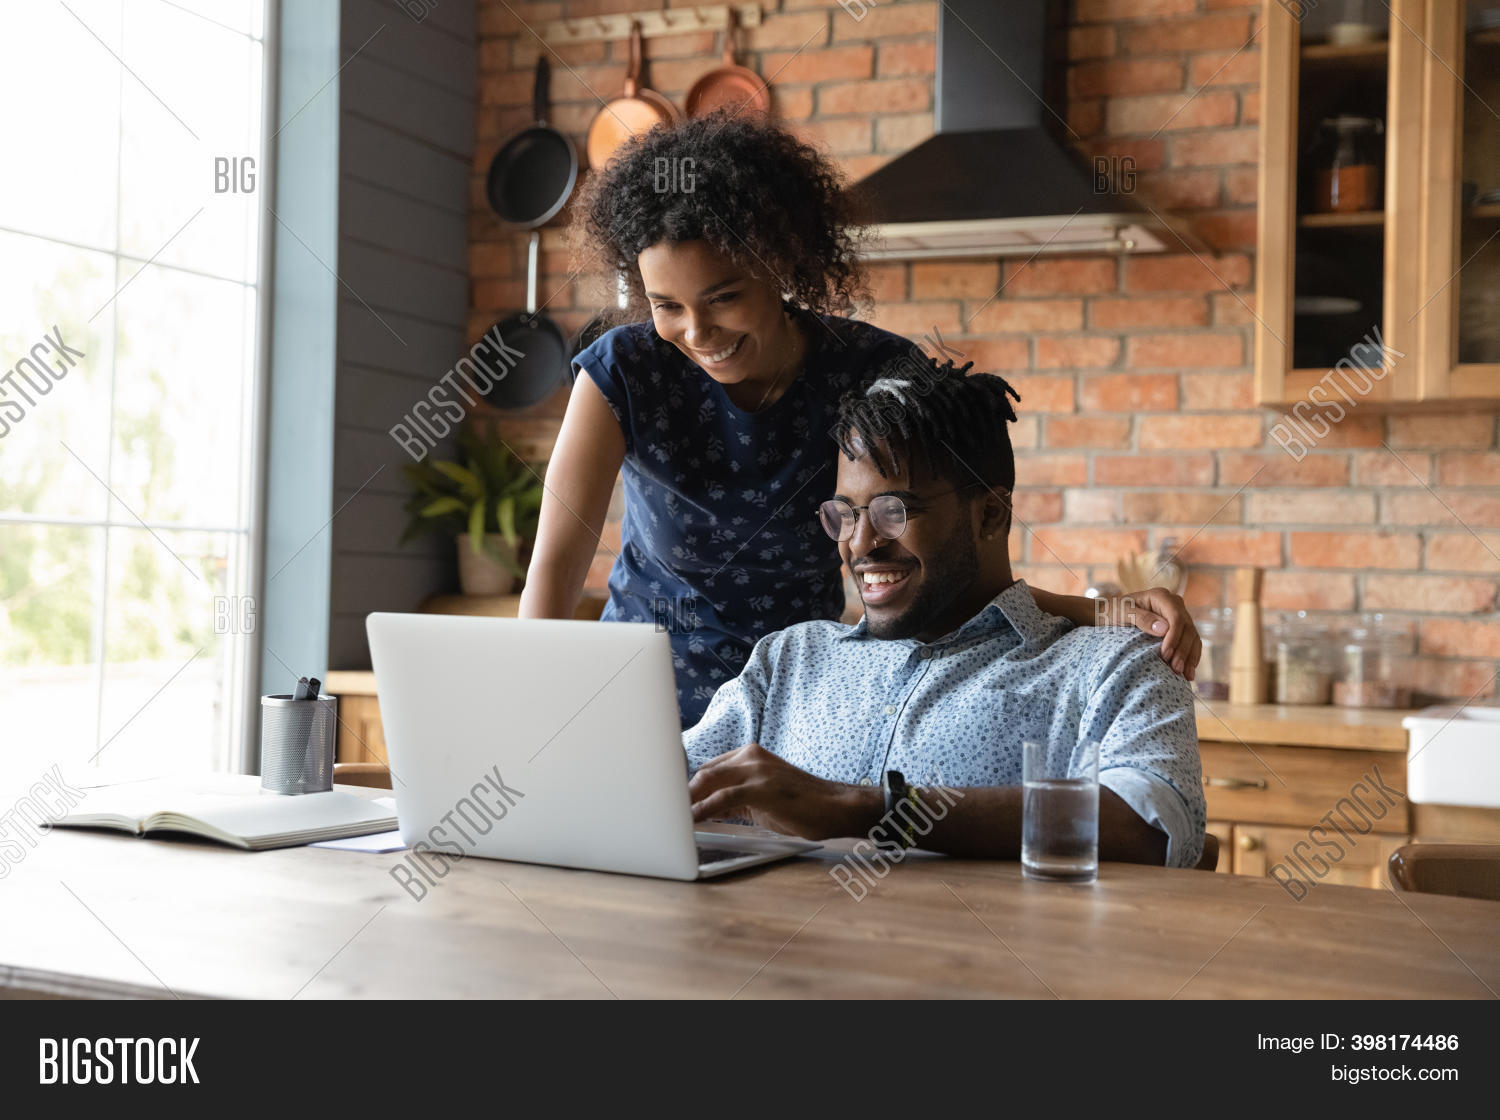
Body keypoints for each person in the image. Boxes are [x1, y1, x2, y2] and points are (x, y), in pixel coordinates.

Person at [520, 112, 1200, 728]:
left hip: (799, 712)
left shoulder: (873, 369)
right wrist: (527, 713)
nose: (696, 331)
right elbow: (554, 569)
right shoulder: (626, 369)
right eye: (667, 304)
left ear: (779, 263)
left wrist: (1104, 610)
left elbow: (955, 565)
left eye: (723, 297)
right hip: (627, 707)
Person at [684, 357, 1205, 868]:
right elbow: (656, 785)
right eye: (845, 513)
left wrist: (864, 811)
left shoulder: (1112, 665)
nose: (860, 543)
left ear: (991, 514)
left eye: (895, 511)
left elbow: (1148, 829)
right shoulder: (790, 659)